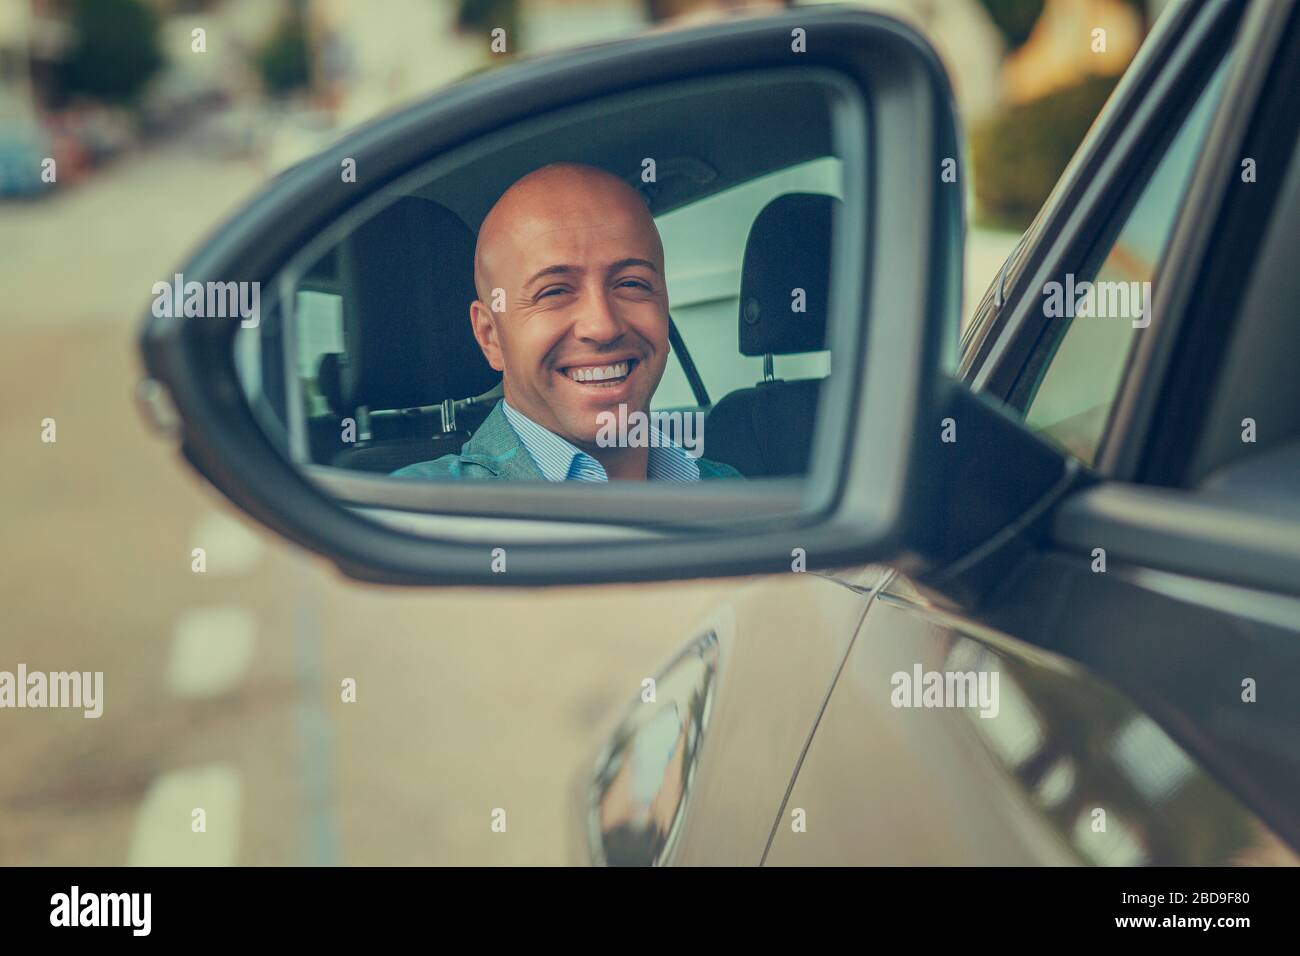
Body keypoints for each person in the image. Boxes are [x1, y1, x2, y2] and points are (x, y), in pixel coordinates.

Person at [394, 162, 740, 481]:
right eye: (554, 292)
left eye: (632, 283)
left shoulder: (730, 491)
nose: (603, 326)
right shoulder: (410, 517)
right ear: (490, 337)